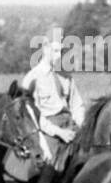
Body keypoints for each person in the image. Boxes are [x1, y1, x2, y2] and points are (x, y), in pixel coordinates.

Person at [21, 28, 85, 163]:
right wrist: (59, 132)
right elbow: (32, 116)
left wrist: (82, 127)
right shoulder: (32, 78)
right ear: (45, 48)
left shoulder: (66, 76)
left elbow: (77, 105)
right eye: (55, 51)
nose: (58, 56)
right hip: (48, 131)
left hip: (71, 125)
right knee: (49, 170)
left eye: (61, 52)